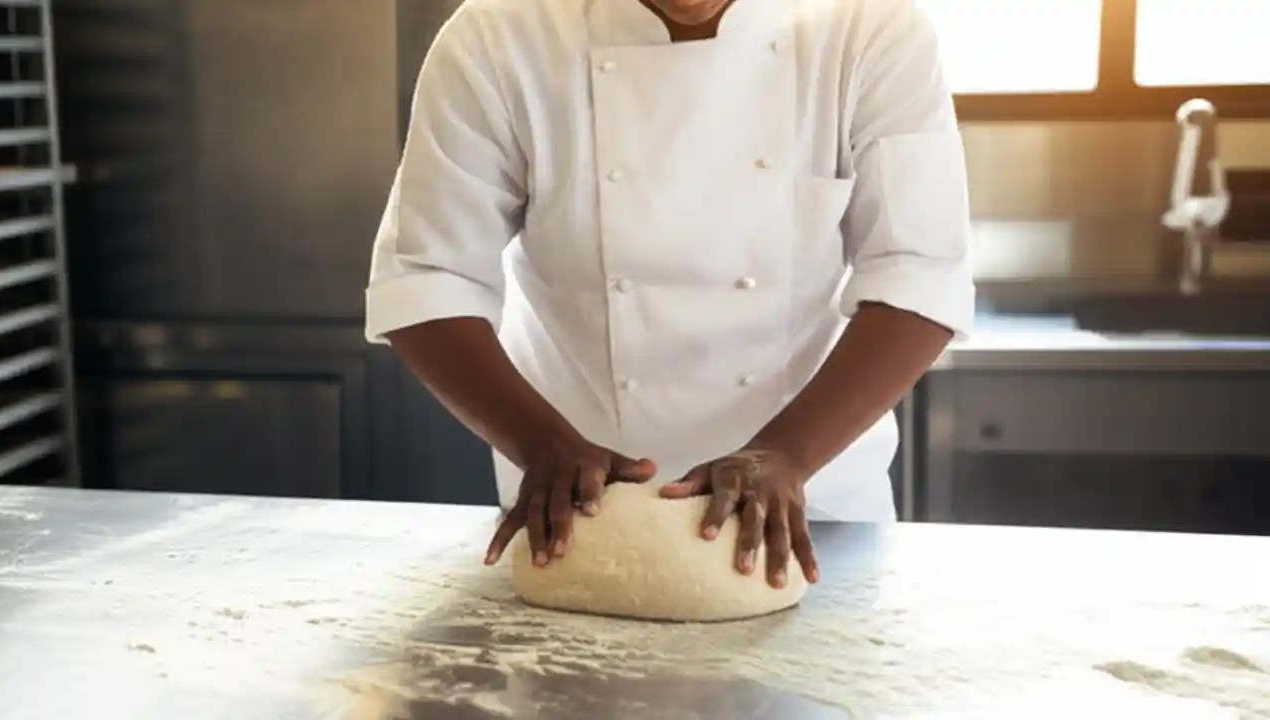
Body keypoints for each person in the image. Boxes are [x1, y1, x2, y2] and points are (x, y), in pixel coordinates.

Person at [367, 0, 973, 589]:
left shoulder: (870, 28)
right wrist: (539, 442)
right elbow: (429, 277)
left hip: (816, 515)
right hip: (578, 516)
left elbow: (916, 272)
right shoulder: (500, 35)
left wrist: (786, 455)